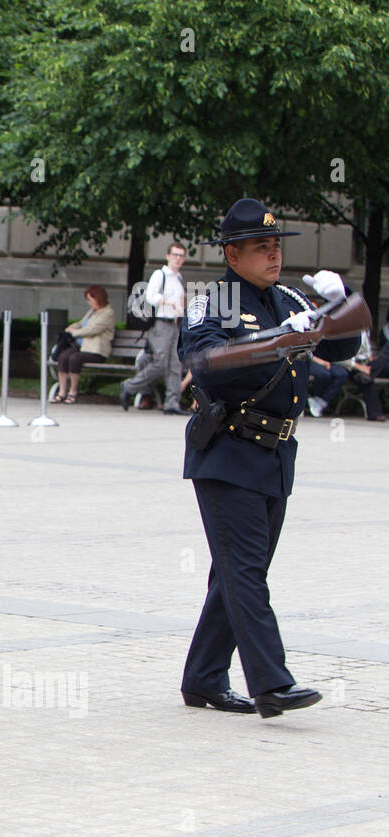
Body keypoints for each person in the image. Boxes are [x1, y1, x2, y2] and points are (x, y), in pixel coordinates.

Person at [178, 198, 358, 718]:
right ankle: (272, 684)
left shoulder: (287, 295)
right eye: (261, 247)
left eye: (276, 245)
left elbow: (340, 351)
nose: (273, 255)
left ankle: (203, 677)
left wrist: (337, 315)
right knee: (247, 572)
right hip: (228, 452)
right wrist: (276, 341)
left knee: (236, 573)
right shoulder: (213, 300)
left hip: (276, 454)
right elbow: (203, 362)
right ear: (232, 254)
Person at [122, 242, 189, 414]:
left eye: (181, 255)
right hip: (160, 324)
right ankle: (129, 386)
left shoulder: (178, 277)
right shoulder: (160, 275)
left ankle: (172, 403)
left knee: (175, 364)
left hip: (174, 324)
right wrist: (170, 302)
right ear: (168, 256)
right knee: (160, 363)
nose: (178, 258)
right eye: (175, 255)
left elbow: (180, 301)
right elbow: (151, 296)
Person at [53, 285, 115, 404]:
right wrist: (70, 329)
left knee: (74, 359)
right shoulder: (91, 312)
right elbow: (81, 324)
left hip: (97, 351)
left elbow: (92, 329)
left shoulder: (108, 313)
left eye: (90, 300)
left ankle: (73, 391)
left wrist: (74, 333)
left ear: (98, 299)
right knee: (63, 357)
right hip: (83, 347)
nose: (88, 303)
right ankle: (61, 391)